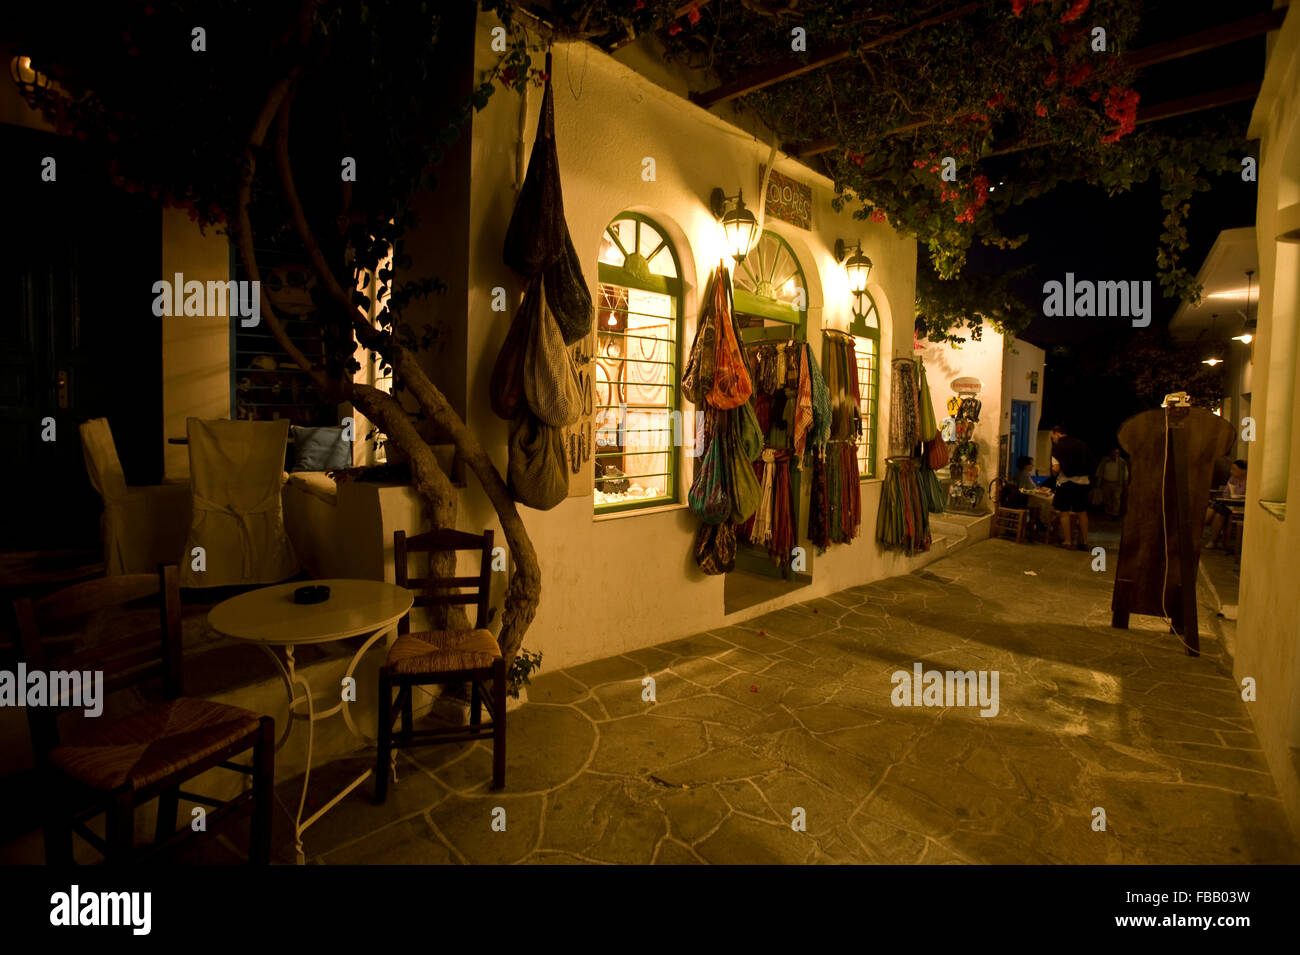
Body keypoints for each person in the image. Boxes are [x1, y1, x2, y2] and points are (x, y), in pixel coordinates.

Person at [1049, 424, 1093, 549]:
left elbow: (1057, 468)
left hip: (1066, 482)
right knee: (1082, 512)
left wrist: (1053, 472)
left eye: (1052, 437)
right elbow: (1091, 462)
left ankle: (1068, 541)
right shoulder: (1082, 444)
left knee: (1064, 511)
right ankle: (1084, 542)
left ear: (1057, 434)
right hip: (1084, 482)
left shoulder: (1058, 447)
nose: (1053, 440)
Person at [1204, 459, 1247, 549]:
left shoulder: (1249, 482)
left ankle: (1213, 540)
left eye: (1234, 469)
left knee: (1219, 512)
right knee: (1215, 508)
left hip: (1240, 506)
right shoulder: (1233, 479)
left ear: (1243, 471)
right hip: (1229, 504)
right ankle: (1205, 534)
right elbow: (1226, 492)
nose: (1231, 471)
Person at [1094, 447, 1129, 518]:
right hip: (1106, 483)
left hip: (1117, 484)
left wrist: (1125, 485)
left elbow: (1125, 475)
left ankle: (1115, 514)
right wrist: (1097, 483)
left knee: (1116, 499)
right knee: (1107, 499)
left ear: (1119, 454)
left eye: (1117, 453)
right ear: (1110, 453)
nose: (1115, 454)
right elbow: (1099, 472)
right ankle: (1108, 512)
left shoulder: (1122, 463)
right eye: (1114, 452)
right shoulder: (1104, 461)